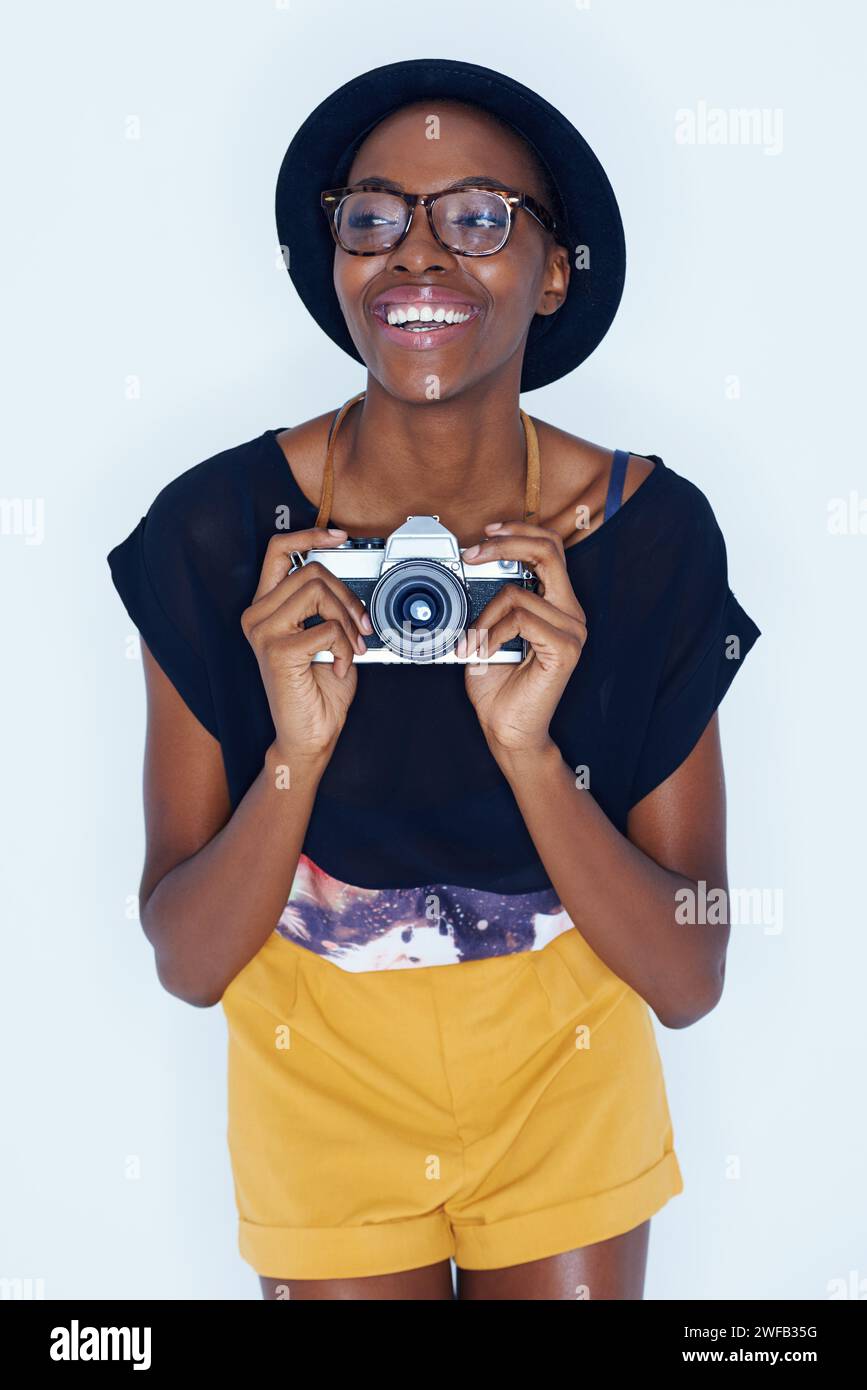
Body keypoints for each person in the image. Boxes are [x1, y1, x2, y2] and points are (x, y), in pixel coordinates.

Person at [107, 59, 761, 1300]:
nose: (418, 255)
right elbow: (188, 962)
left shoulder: (649, 532)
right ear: (335, 257)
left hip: (568, 1073)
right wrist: (293, 751)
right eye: (374, 215)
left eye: (477, 216)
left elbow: (690, 977)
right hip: (320, 1083)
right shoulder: (218, 531)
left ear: (554, 269)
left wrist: (533, 754)